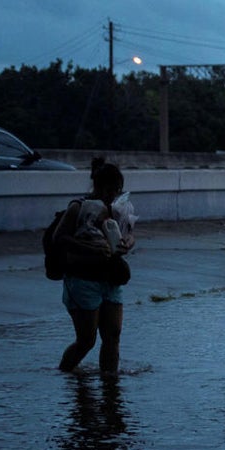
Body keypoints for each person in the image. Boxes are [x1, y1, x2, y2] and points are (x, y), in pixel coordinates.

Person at [55, 159, 135, 375]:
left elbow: (129, 234)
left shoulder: (118, 209)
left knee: (113, 335)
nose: (113, 195)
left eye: (117, 190)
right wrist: (91, 249)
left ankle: (110, 385)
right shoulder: (78, 208)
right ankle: (65, 374)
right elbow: (59, 238)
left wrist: (127, 242)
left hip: (109, 278)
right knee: (86, 340)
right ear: (98, 187)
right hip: (82, 279)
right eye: (109, 190)